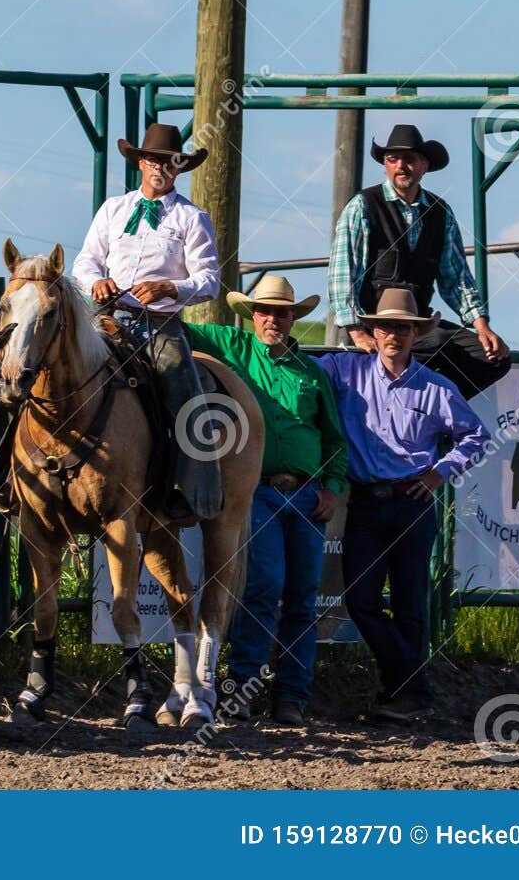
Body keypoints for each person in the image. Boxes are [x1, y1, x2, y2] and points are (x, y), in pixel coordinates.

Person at [185, 275, 349, 726]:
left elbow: (335, 440)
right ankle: (240, 692)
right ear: (252, 315)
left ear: (293, 318)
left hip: (307, 495)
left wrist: (332, 487)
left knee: (301, 597)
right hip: (255, 491)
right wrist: (159, 289)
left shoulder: (311, 373)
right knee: (263, 587)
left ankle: (291, 697)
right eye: (266, 311)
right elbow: (179, 328)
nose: (273, 318)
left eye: (282, 311)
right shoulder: (235, 347)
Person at [320, 288, 491, 722]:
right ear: (372, 332)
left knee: (412, 603)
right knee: (361, 602)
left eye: (402, 327)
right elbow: (298, 371)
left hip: (411, 503)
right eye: (385, 326)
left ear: (416, 333)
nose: (393, 334)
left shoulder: (437, 387)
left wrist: (440, 472)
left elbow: (477, 435)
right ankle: (413, 689)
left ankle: (401, 695)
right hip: (363, 504)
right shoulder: (344, 371)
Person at [71, 122, 222, 518]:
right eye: (154, 159)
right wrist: (96, 282)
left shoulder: (193, 218)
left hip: (159, 326)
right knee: (52, 366)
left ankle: (190, 492)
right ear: (141, 161)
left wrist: (170, 289)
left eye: (170, 162)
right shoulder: (113, 209)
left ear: (179, 168)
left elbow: (209, 280)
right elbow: (85, 262)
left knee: (186, 396)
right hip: (106, 317)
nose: (161, 167)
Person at [329, 123, 510, 399]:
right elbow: (343, 272)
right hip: (375, 323)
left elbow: (456, 277)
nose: (401, 166)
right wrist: (357, 332)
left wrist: (481, 325)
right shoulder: (363, 204)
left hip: (417, 323)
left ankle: (433, 405)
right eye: (392, 159)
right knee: (434, 343)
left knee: (492, 357)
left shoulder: (440, 211)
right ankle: (408, 399)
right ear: (386, 165)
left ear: (424, 165)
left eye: (409, 159)